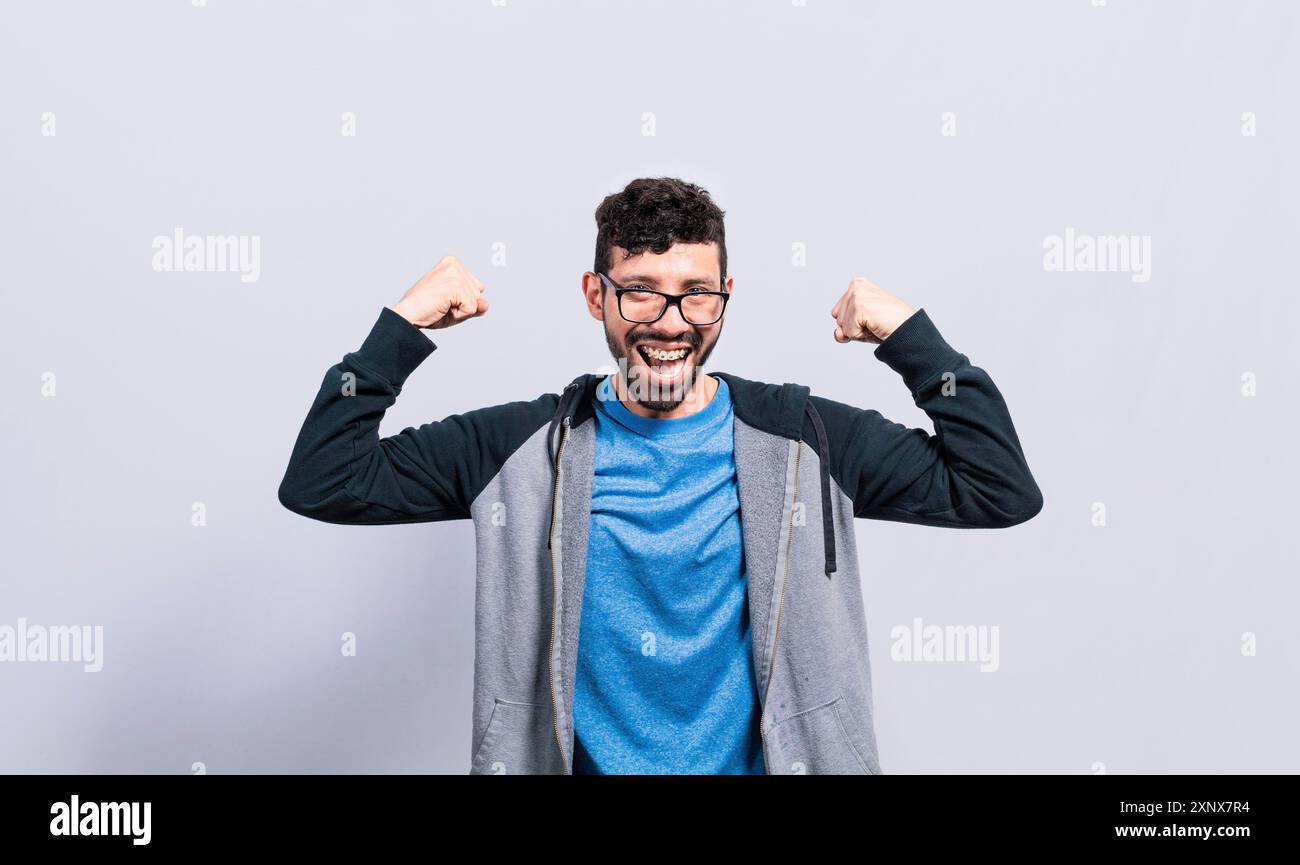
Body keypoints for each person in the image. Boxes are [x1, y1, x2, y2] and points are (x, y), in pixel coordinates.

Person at [278, 177, 1043, 774]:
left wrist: (910, 338)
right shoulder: (517, 449)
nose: (670, 321)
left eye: (695, 294)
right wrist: (401, 328)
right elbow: (323, 477)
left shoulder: (808, 440)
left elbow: (997, 485)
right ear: (595, 295)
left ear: (725, 299)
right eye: (640, 290)